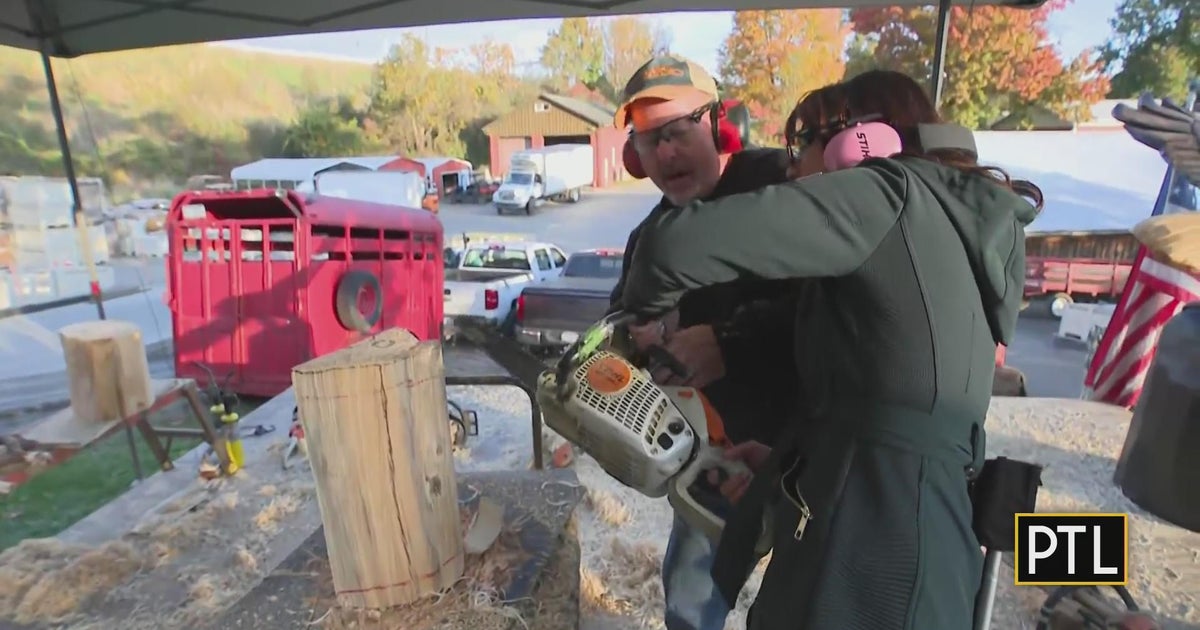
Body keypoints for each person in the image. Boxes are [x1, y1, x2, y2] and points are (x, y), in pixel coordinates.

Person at [619, 69, 1044, 630]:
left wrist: (651, 312)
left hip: (877, 547)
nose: (791, 168)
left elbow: (670, 249)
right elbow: (879, 392)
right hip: (872, 506)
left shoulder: (883, 193)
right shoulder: (933, 214)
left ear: (861, 141)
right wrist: (788, 461)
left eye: (803, 145)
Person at [606, 54, 803, 630]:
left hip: (811, 446)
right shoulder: (649, 239)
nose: (666, 152)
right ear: (634, 158)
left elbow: (836, 308)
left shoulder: (781, 186)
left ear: (715, 123)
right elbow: (619, 322)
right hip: (714, 458)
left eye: (677, 131)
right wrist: (633, 342)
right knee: (689, 604)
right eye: (649, 141)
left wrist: (730, 342)